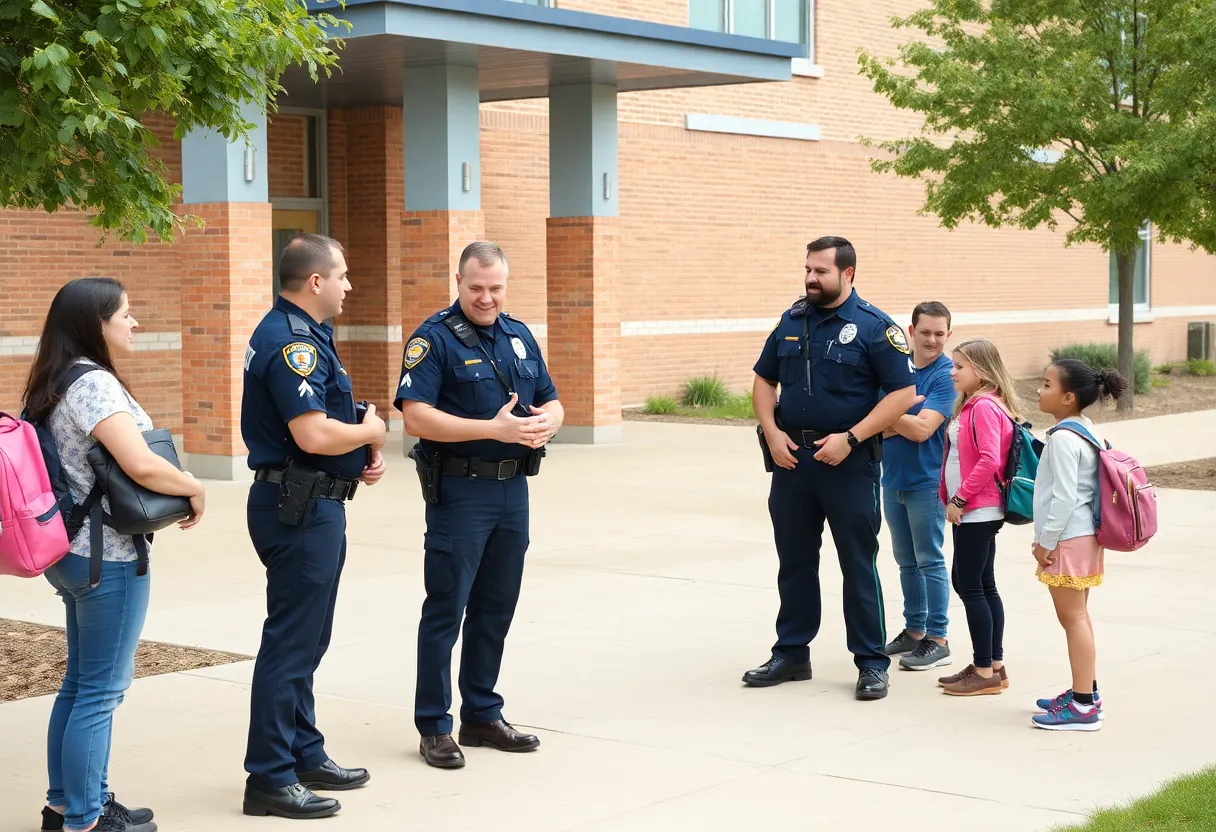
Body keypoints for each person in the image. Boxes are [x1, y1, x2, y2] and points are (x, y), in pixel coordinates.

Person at [23, 277, 207, 832]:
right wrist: (193, 486)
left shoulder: (53, 380)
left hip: (72, 553)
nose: (133, 323)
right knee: (100, 691)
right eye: (124, 314)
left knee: (80, 684)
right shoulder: (94, 384)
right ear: (94, 324)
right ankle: (87, 818)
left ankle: (71, 803)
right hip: (110, 559)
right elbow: (142, 464)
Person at [395, 241, 563, 768]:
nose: (486, 298)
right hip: (460, 492)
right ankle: (434, 726)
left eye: (495, 288)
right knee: (446, 608)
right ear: (459, 283)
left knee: (496, 607)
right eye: (476, 288)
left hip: (513, 490)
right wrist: (492, 428)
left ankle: (482, 714)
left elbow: (554, 397)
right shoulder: (433, 340)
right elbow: (416, 417)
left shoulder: (518, 336)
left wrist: (549, 422)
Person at [240, 234, 387, 820]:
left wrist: (357, 452)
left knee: (308, 638)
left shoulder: (306, 335)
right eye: (344, 275)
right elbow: (312, 434)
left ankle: (302, 752)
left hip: (313, 501)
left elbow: (322, 423)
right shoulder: (290, 342)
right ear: (316, 282)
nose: (351, 285)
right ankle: (269, 777)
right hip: (297, 510)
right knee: (291, 644)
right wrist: (370, 433)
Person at [746, 235, 918, 701]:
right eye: (807, 269)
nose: (809, 278)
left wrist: (852, 437)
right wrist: (771, 430)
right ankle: (792, 653)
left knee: (858, 564)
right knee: (795, 562)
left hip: (849, 464)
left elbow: (903, 394)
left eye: (820, 271)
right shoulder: (791, 320)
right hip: (791, 462)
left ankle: (870, 662)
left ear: (848, 274)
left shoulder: (873, 327)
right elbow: (764, 379)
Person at [1028, 359, 1127, 731]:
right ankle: (1085, 691)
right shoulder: (1086, 429)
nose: (1039, 390)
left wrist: (1044, 542)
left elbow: (1064, 498)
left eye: (1047, 384)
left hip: (1068, 539)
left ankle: (1083, 706)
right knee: (1078, 618)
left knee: (1074, 619)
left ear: (1068, 397)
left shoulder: (1064, 439)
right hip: (1084, 537)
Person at [935, 339, 1019, 697]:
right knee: (982, 585)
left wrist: (959, 498)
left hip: (978, 509)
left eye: (959, 366)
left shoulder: (984, 406)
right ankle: (993, 665)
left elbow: (989, 460)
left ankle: (984, 669)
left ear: (981, 371)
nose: (952, 371)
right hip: (976, 508)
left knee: (969, 585)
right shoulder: (973, 404)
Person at [880, 302, 956, 671]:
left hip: (927, 482)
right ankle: (914, 631)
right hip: (891, 477)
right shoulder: (897, 369)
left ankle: (938, 638)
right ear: (911, 331)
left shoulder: (946, 376)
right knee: (905, 562)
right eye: (925, 332)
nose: (932, 340)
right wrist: (902, 413)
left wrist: (887, 412)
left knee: (930, 560)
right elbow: (870, 423)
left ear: (948, 335)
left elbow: (925, 429)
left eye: (940, 334)